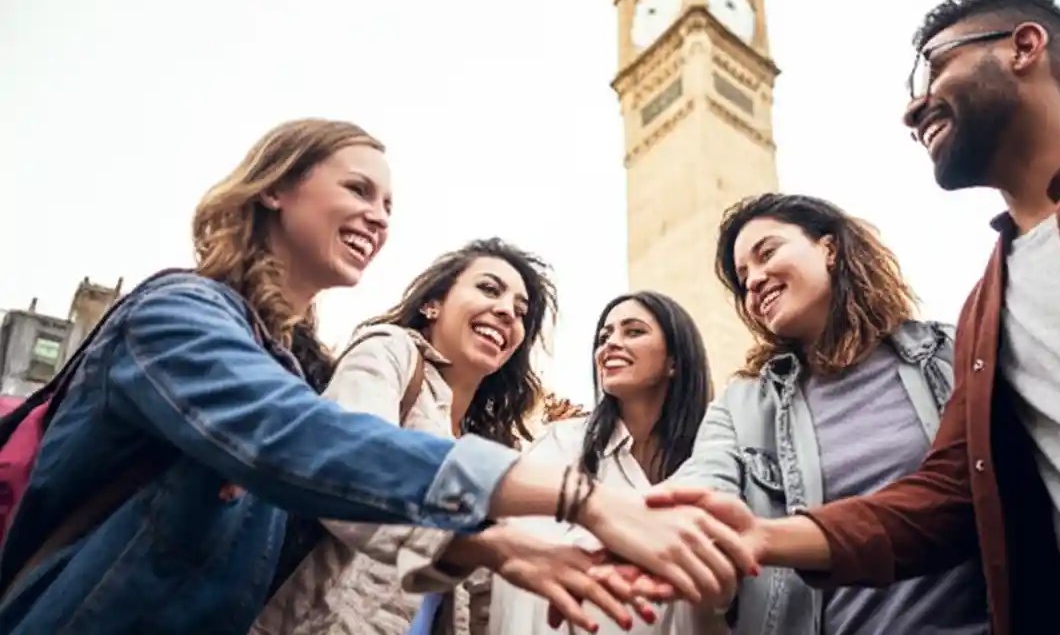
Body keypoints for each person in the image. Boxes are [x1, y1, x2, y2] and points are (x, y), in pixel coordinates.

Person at [653, 0, 1060, 635]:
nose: (913, 106)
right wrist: (760, 539)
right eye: (739, 275)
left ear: (1024, 48)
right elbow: (950, 500)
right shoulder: (987, 315)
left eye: (936, 66)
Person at [0, 119, 759, 634]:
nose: (378, 216)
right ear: (276, 187)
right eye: (358, 189)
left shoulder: (296, 368)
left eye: (389, 204)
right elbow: (306, 443)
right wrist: (578, 499)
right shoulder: (177, 314)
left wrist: (490, 550)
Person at [256, 238, 660, 634]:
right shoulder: (391, 353)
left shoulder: (493, 448)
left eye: (521, 312)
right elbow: (350, 466)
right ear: (433, 304)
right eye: (488, 289)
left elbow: (481, 598)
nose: (506, 313)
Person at [661, 193, 987, 635]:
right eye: (743, 278)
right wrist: (650, 524)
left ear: (829, 249)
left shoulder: (953, 354)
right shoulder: (739, 409)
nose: (754, 281)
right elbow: (702, 483)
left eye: (767, 253)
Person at [488, 291, 720, 635]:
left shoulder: (714, 456)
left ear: (675, 360)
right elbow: (527, 548)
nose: (611, 344)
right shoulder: (561, 444)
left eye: (634, 331)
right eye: (604, 336)